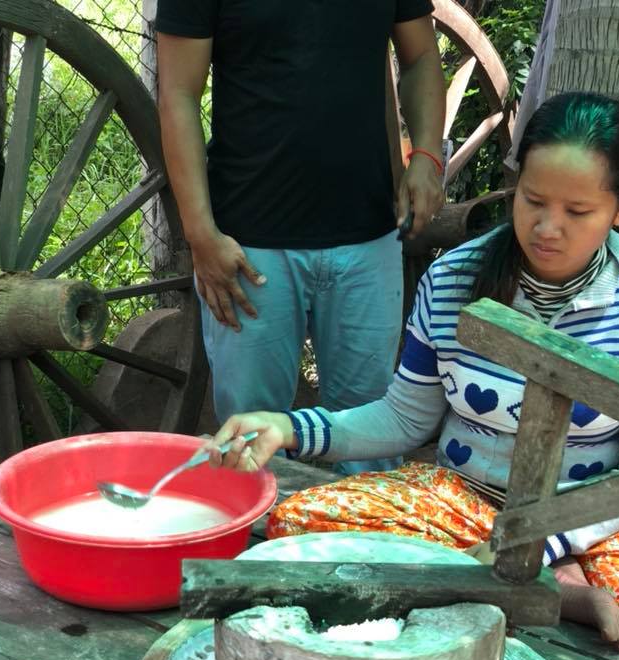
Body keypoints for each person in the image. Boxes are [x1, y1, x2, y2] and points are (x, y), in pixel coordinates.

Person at [205, 91, 619, 660]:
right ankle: (535, 612)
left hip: (605, 517)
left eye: (577, 211)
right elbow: (403, 418)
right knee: (302, 524)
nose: (547, 227)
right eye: (533, 201)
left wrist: (547, 541)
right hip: (466, 498)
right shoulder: (460, 273)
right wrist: (291, 428)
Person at [155, 0, 445, 473]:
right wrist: (200, 234)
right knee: (248, 451)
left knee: (372, 451)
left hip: (369, 239)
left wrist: (427, 156)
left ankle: (362, 527)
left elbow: (421, 57)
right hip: (248, 250)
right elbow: (178, 95)